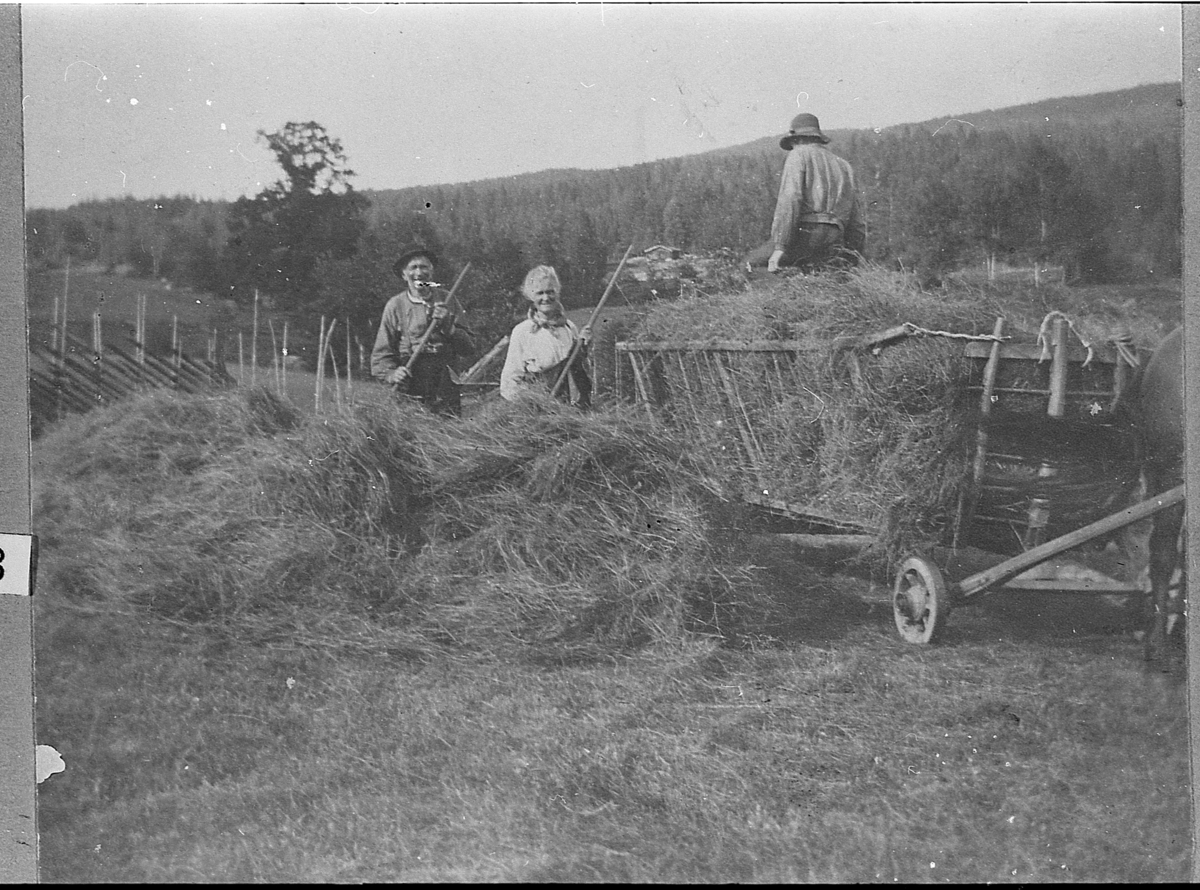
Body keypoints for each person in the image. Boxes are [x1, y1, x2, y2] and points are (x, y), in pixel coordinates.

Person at [744, 112, 867, 274]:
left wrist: (781, 246)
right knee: (822, 277)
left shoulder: (798, 155)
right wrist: (853, 256)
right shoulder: (844, 166)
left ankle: (787, 296)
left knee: (752, 265)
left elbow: (790, 201)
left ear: (797, 139)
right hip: (835, 236)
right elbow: (857, 220)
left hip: (805, 233)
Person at [370, 244, 474, 416]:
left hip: (445, 384)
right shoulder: (395, 306)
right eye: (413, 268)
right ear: (404, 275)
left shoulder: (448, 300)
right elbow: (380, 356)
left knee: (447, 436)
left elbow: (469, 348)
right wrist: (392, 374)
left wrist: (448, 326)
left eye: (424, 267)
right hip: (410, 385)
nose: (419, 273)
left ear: (432, 272)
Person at [499, 265, 592, 408]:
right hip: (540, 412)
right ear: (531, 296)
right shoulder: (523, 332)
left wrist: (583, 348)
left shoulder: (569, 328)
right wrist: (533, 404)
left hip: (573, 410)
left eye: (550, 292)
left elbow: (580, 373)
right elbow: (509, 382)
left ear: (557, 292)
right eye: (540, 293)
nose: (546, 298)